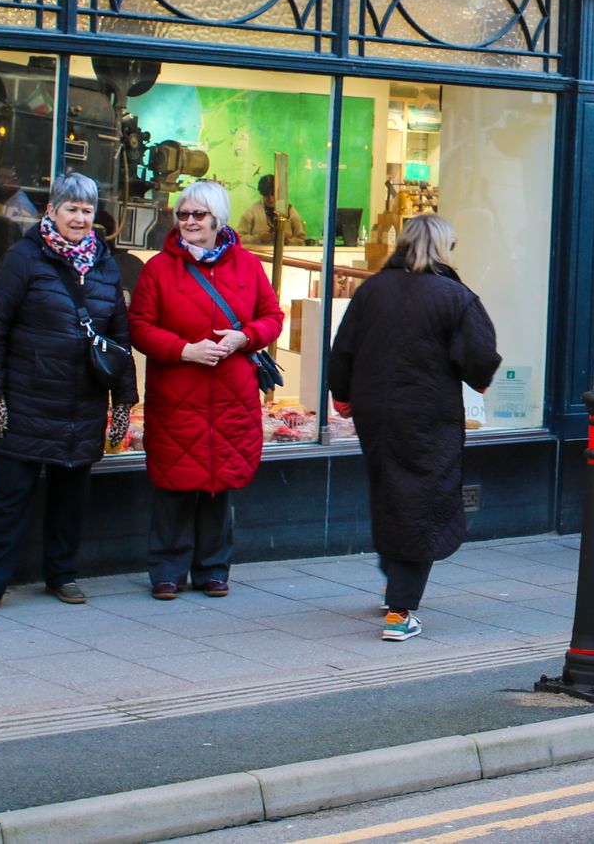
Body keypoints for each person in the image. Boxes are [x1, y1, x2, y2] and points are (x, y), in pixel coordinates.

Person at [0, 172, 139, 616]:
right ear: (52, 211)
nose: (79, 219)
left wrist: (123, 402)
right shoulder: (23, 258)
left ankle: (62, 574)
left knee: (70, 501)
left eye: (86, 211)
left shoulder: (104, 264)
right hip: (25, 399)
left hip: (81, 404)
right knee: (9, 499)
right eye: (71, 209)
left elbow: (118, 337)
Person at [327, 214, 500, 641]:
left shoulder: (372, 290)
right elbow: (479, 359)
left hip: (375, 410)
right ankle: (401, 610)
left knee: (389, 489)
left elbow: (343, 348)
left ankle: (393, 583)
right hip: (427, 414)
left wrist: (343, 395)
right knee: (421, 500)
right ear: (443, 248)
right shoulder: (455, 296)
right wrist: (478, 380)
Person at [128, 180, 284, 600]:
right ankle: (166, 570)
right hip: (178, 392)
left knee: (219, 482)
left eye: (198, 215)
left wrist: (244, 338)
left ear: (218, 219)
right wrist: (183, 350)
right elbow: (139, 328)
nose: (190, 222)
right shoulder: (159, 269)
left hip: (231, 395)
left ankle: (213, 569)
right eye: (183, 215)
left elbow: (272, 315)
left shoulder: (248, 266)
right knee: (173, 482)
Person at [236, 174, 308, 247]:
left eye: (273, 194)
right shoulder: (251, 212)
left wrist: (287, 241)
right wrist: (258, 238)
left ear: (278, 192)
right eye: (266, 195)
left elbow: (301, 240)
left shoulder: (290, 211)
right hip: (259, 257)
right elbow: (238, 240)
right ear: (261, 194)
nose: (271, 199)